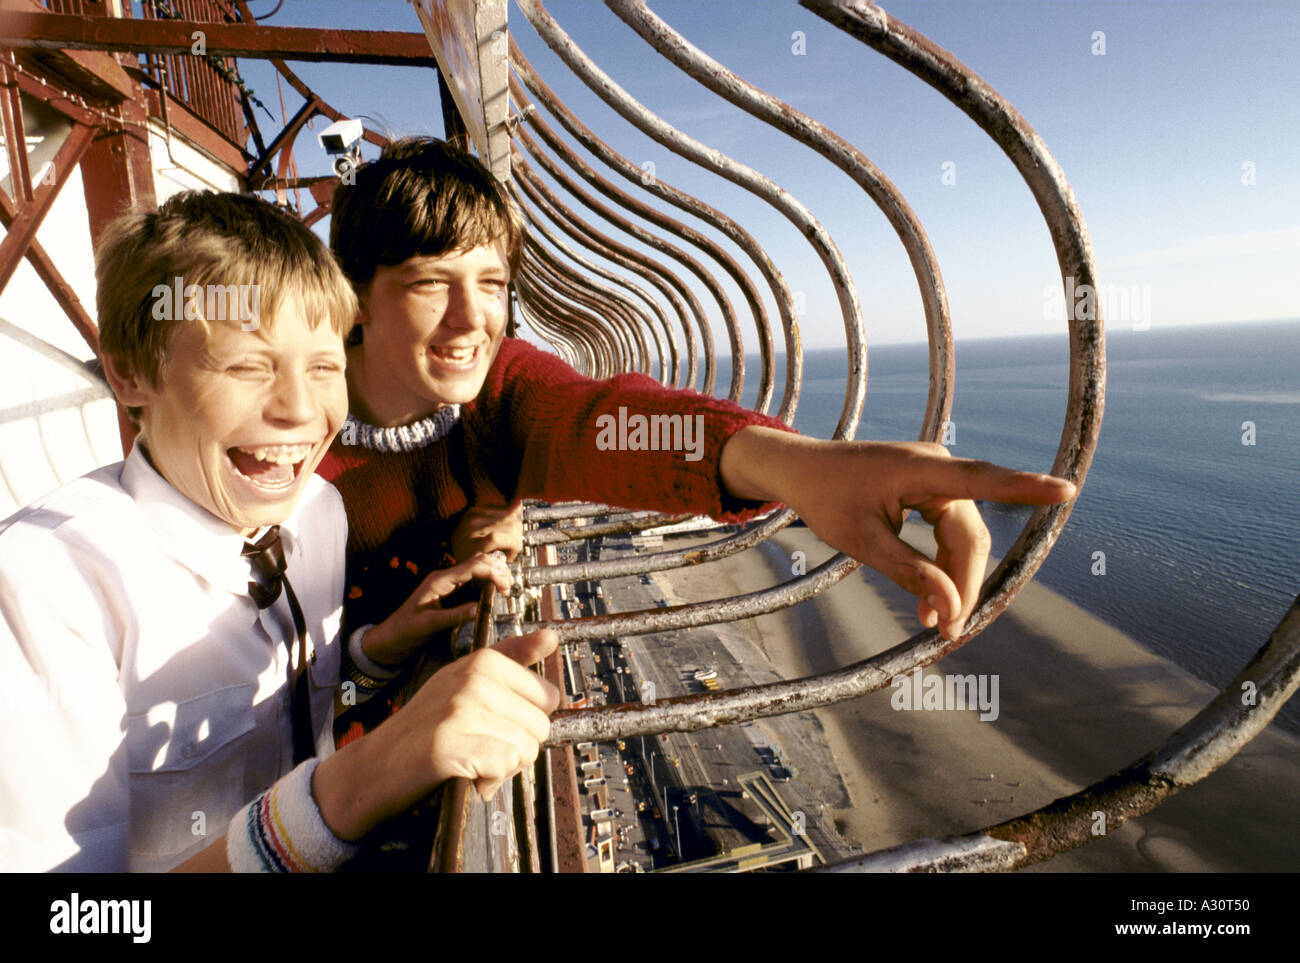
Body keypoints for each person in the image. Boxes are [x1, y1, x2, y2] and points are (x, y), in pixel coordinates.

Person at [319, 137, 1077, 695]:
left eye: (491, 282)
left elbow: (610, 422)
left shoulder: (500, 395)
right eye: (428, 283)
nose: (470, 319)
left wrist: (800, 466)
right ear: (354, 294)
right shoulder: (282, 430)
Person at [0, 191, 559, 872]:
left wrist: (374, 651)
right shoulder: (45, 587)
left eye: (324, 367)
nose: (301, 410)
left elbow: (283, 709)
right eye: (247, 365)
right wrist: (357, 784)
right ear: (131, 372)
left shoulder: (316, 511)